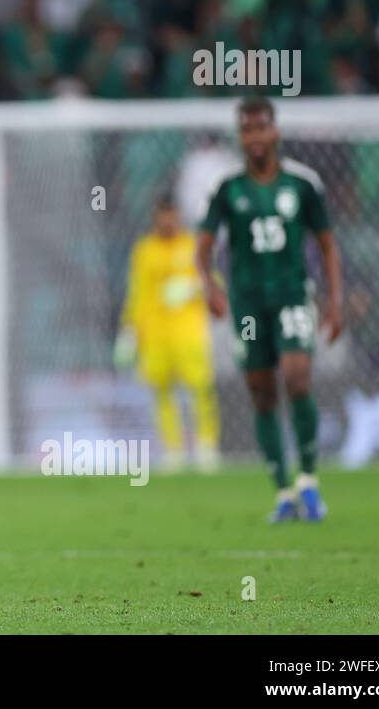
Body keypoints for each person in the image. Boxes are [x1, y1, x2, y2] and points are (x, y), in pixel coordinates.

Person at [196, 97, 344, 522]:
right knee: (262, 391)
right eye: (247, 130)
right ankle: (283, 492)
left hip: (293, 295)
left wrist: (334, 302)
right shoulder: (228, 189)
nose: (255, 137)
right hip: (247, 304)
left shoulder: (302, 184)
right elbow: (203, 247)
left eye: (261, 128)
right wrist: (210, 287)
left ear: (274, 132)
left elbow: (328, 245)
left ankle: (310, 482)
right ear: (240, 136)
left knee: (297, 378)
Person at [116, 193, 220, 471]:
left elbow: (215, 282)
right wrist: (129, 329)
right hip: (155, 333)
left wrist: (192, 287)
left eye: (171, 214)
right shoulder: (144, 250)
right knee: (161, 392)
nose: (167, 221)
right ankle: (172, 449)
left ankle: (205, 445)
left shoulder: (193, 245)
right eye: (162, 215)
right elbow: (137, 293)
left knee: (199, 388)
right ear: (155, 217)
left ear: (178, 215)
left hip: (188, 331)